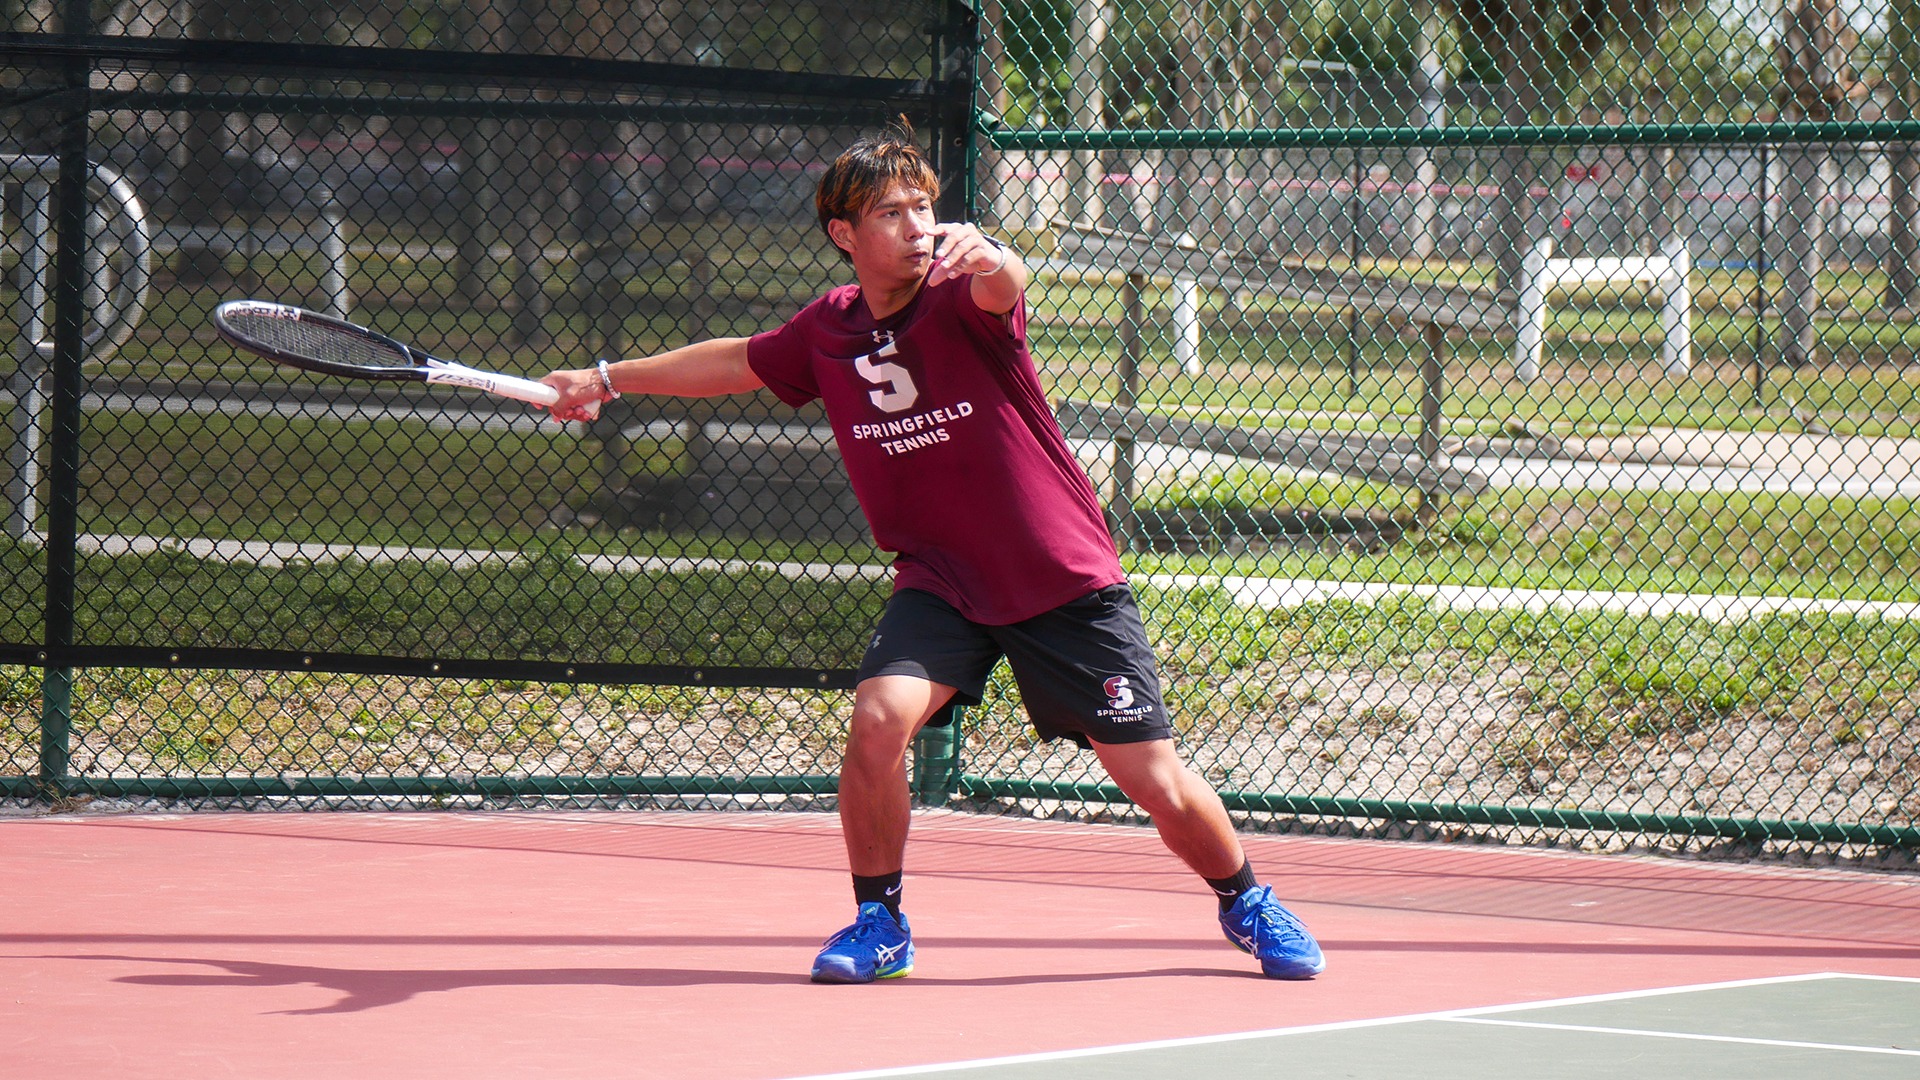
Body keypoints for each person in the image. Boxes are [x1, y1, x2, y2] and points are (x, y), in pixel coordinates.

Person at [541, 129, 1325, 984]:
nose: (917, 225)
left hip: (1056, 578)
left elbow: (1005, 285)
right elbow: (737, 361)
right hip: (940, 579)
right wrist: (610, 377)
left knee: (1153, 778)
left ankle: (1245, 899)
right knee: (877, 719)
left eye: (924, 206)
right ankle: (879, 923)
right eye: (891, 212)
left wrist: (993, 255)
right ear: (845, 233)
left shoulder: (961, 297)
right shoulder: (827, 328)